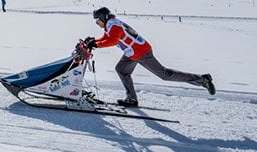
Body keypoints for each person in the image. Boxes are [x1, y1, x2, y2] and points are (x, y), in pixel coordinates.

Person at [83, 7, 214, 107]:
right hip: (132, 52)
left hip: (141, 52)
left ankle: (202, 80)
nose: (97, 23)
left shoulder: (113, 25)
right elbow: (107, 38)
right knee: (121, 69)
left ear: (103, 18)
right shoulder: (111, 24)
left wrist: (96, 44)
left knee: (165, 75)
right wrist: (94, 41)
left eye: (97, 20)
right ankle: (132, 99)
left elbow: (113, 41)